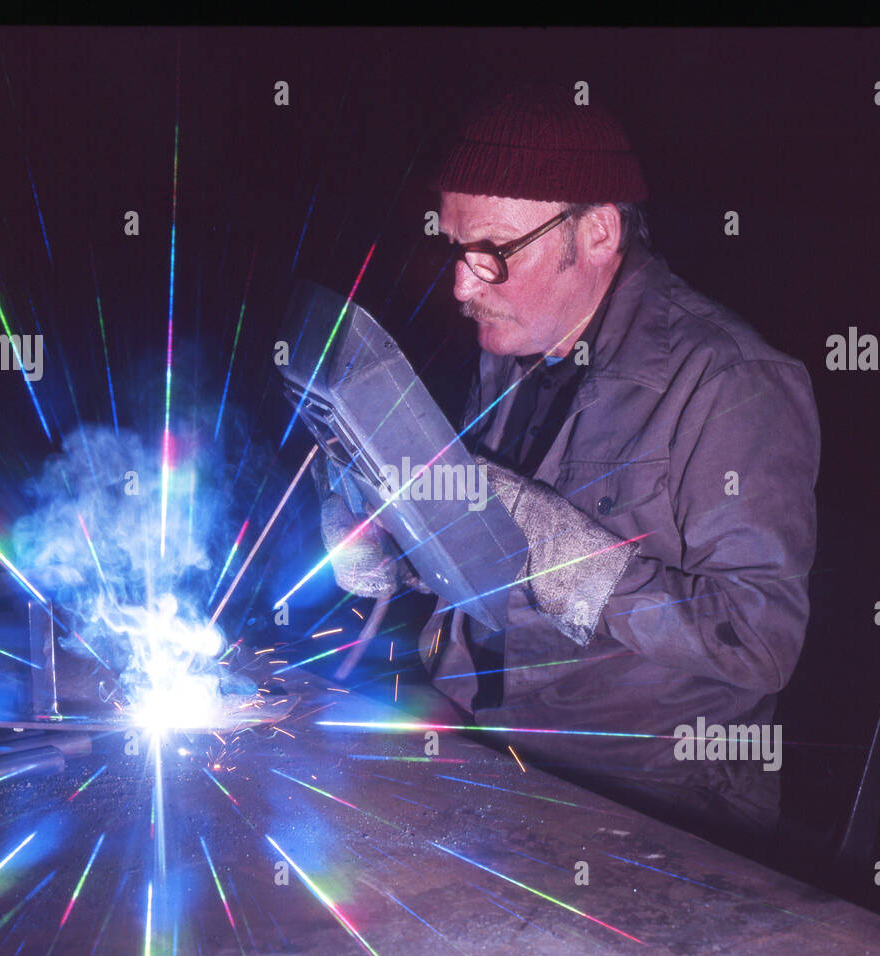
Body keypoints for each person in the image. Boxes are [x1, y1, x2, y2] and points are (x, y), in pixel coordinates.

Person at [330, 85, 820, 843]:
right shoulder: (519, 345)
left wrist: (580, 567)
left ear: (596, 232)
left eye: (492, 252)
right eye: (456, 250)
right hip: (486, 740)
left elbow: (760, 642)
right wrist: (397, 543)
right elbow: (491, 559)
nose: (462, 285)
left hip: (650, 789)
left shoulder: (729, 382)